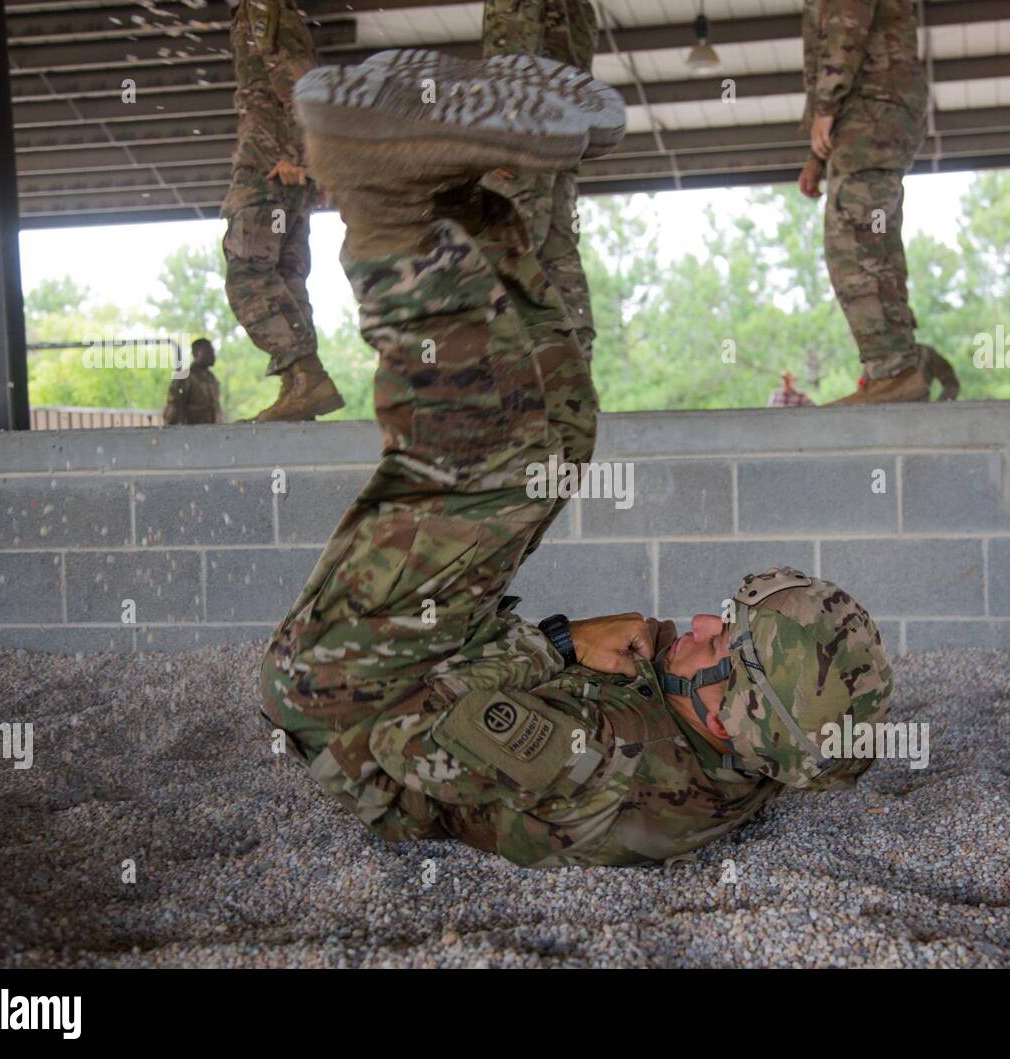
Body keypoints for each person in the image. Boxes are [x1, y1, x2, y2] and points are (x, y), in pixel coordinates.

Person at [258, 49, 895, 869]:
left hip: (340, 692)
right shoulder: (744, 728)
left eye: (720, 644)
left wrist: (555, 643)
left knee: (495, 468)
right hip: (426, 666)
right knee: (564, 439)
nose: (699, 624)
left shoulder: (607, 771)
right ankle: (456, 198)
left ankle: (378, 194)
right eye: (725, 620)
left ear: (727, 712)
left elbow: (411, 725)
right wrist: (574, 645)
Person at [797, 0, 959, 405]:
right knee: (871, 242)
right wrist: (819, 155)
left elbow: (847, 21)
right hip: (872, 110)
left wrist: (825, 105)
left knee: (853, 245)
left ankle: (895, 369)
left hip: (870, 107)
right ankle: (896, 368)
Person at [222, 0, 343, 422]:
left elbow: (296, 80)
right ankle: (300, 388)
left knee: (248, 274)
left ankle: (305, 375)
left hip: (270, 165)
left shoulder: (261, 7)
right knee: (285, 276)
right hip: (283, 167)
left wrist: (296, 156)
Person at [482, 0, 599, 358]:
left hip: (525, 129)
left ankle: (504, 375)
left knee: (507, 244)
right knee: (554, 247)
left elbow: (510, 63)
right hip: (563, 129)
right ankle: (570, 377)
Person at [162, 338, 223, 425]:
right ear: (196, 353)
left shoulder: (211, 378)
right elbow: (174, 409)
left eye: (212, 352)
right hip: (191, 432)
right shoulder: (184, 378)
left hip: (212, 431)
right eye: (209, 352)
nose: (213, 356)